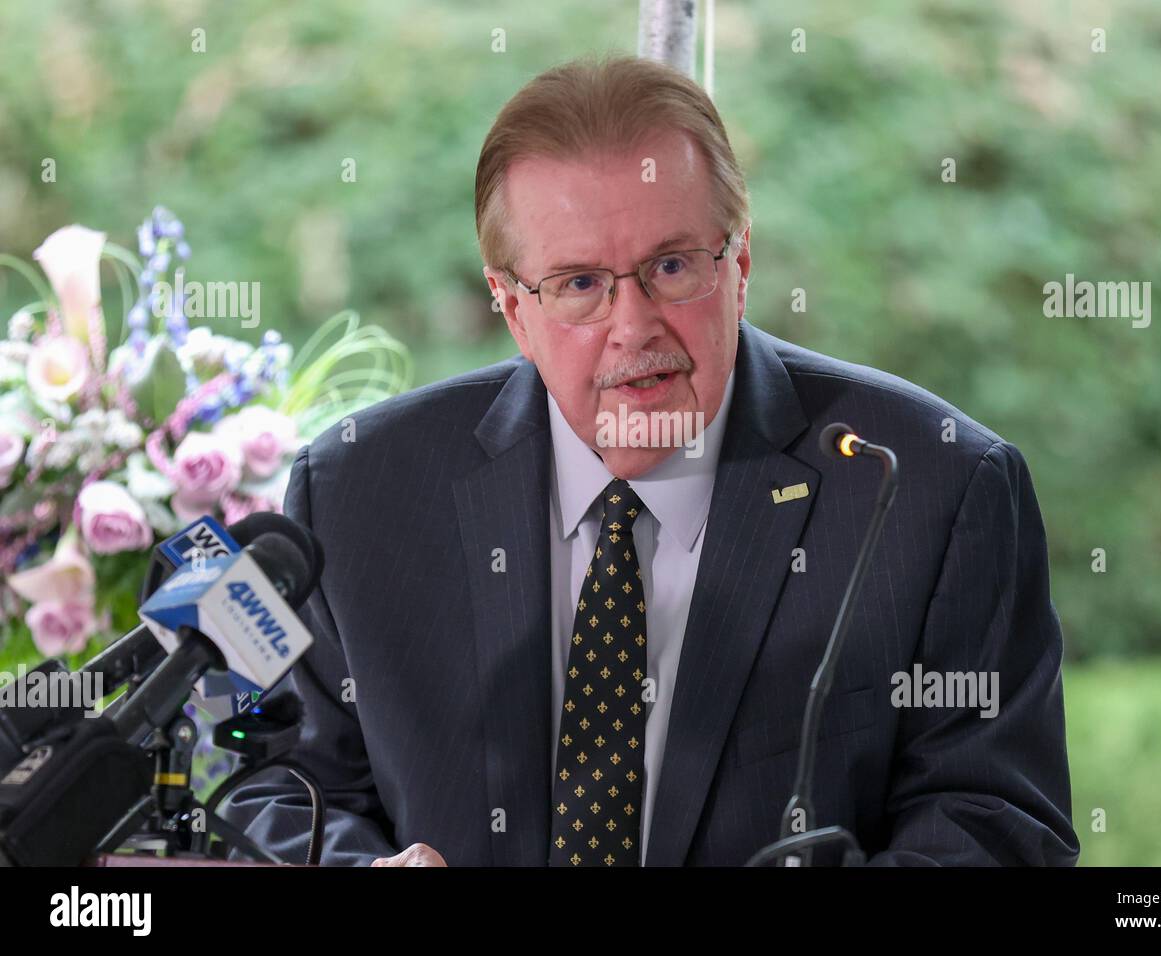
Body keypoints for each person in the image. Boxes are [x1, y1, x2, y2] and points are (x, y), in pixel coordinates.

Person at [225, 52, 1079, 867]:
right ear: (511, 306)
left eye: (671, 267)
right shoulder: (356, 490)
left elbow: (995, 825)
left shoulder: (932, 485)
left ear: (739, 263)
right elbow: (271, 783)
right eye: (580, 284)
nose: (633, 328)